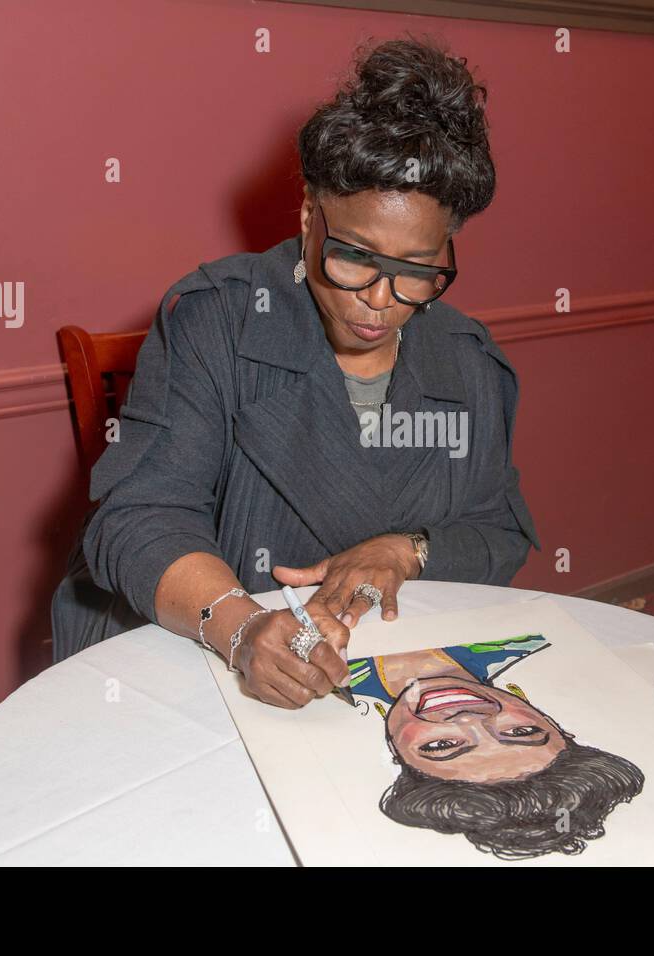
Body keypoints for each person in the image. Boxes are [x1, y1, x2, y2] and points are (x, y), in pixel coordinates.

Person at [50, 35, 541, 709]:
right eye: (353, 257)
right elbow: (139, 517)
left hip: (374, 677)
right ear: (310, 215)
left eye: (418, 271)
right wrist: (241, 627)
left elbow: (499, 529)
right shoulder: (218, 318)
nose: (379, 297)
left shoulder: (467, 357)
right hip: (184, 656)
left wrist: (406, 549)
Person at [346, 637, 646, 859]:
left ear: (397, 753)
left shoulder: (323, 677)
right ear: (554, 725)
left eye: (443, 745)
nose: (469, 720)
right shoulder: (530, 638)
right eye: (520, 732)